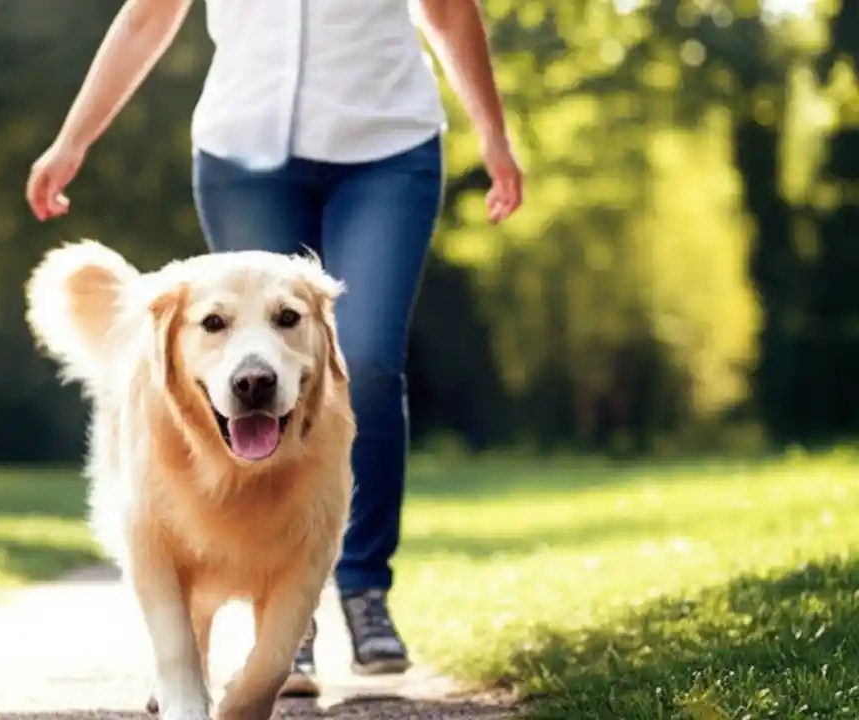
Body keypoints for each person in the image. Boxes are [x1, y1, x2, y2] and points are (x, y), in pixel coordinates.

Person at [26, 0, 523, 697]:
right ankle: (291, 630)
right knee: (247, 371)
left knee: (367, 364)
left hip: (386, 146)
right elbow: (147, 17)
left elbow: (446, 11)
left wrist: (494, 136)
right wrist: (72, 141)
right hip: (245, 152)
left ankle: (363, 586)